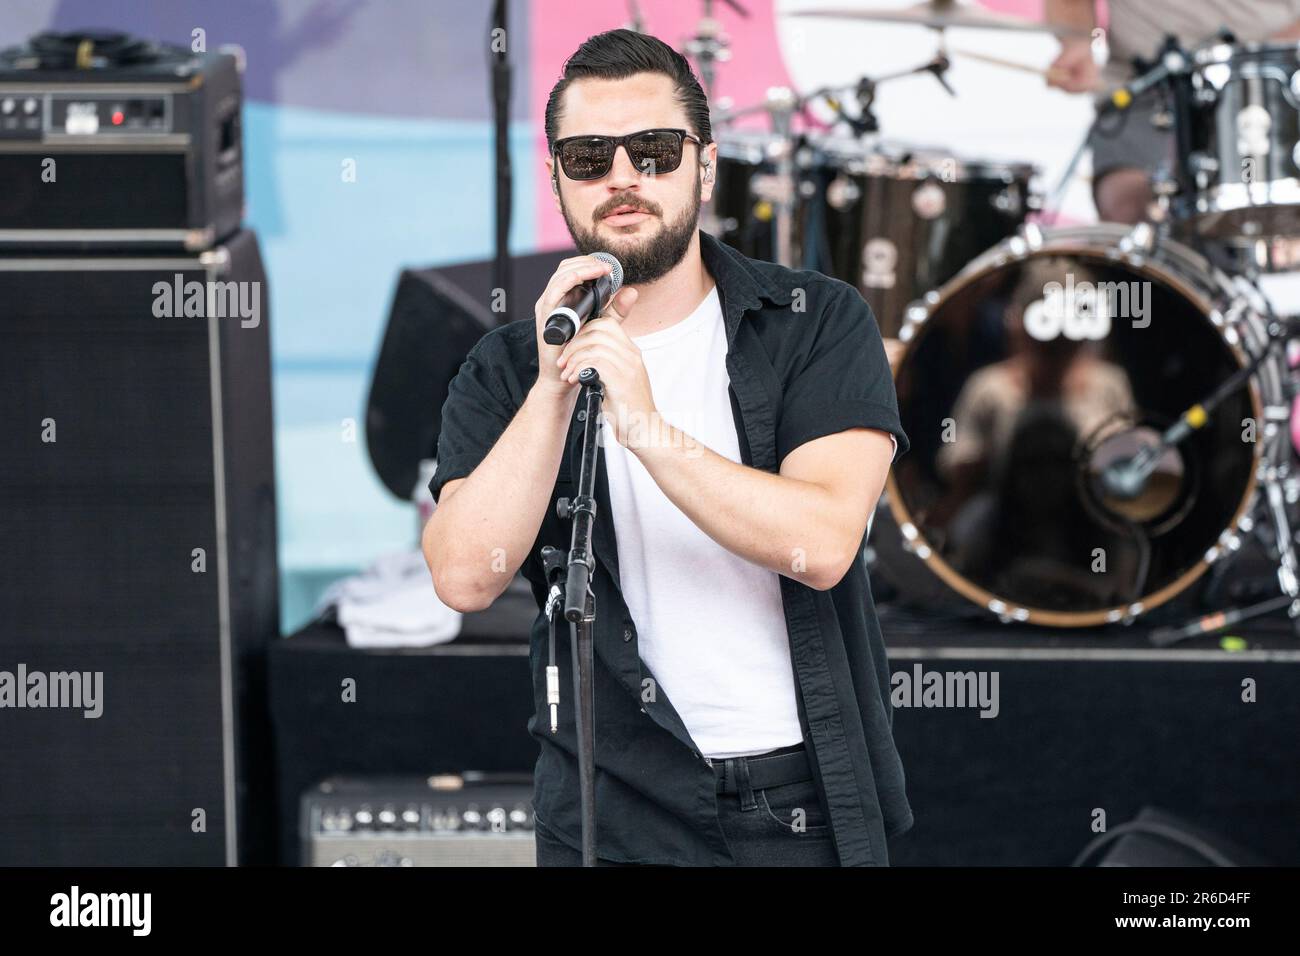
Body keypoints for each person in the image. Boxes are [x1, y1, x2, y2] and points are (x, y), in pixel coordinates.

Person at [421, 29, 910, 866]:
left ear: (705, 164)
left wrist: (645, 427)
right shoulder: (508, 364)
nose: (622, 176)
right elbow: (466, 575)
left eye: (652, 150)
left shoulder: (815, 320)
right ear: (556, 180)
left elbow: (824, 544)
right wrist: (551, 389)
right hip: (611, 799)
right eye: (588, 156)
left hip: (797, 797)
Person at [1045, 0, 1300, 223]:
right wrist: (1076, 41)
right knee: (1128, 207)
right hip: (1144, 90)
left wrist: (1264, 57)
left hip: (1269, 85)